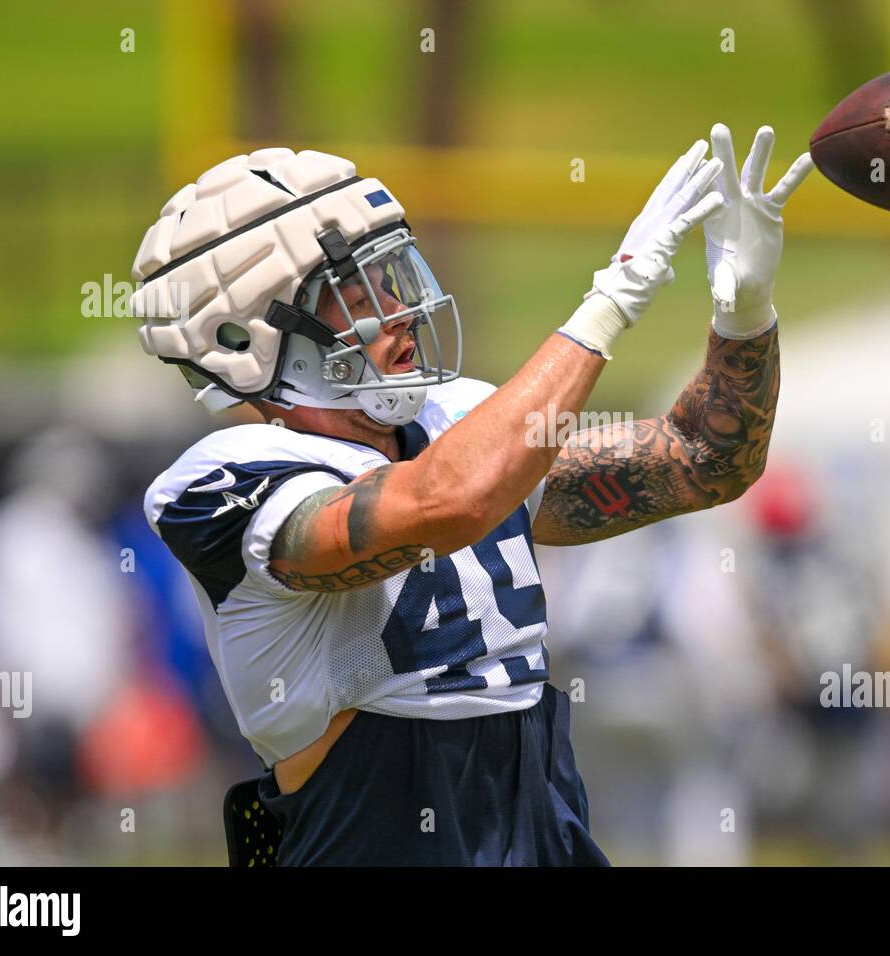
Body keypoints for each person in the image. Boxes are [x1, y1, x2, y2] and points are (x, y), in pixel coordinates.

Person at [132, 129, 811, 865]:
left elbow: (703, 459)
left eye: (393, 279)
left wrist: (745, 318)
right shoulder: (224, 481)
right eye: (355, 295)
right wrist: (609, 302)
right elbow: (444, 503)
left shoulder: (452, 420)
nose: (397, 313)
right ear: (250, 339)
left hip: (543, 830)